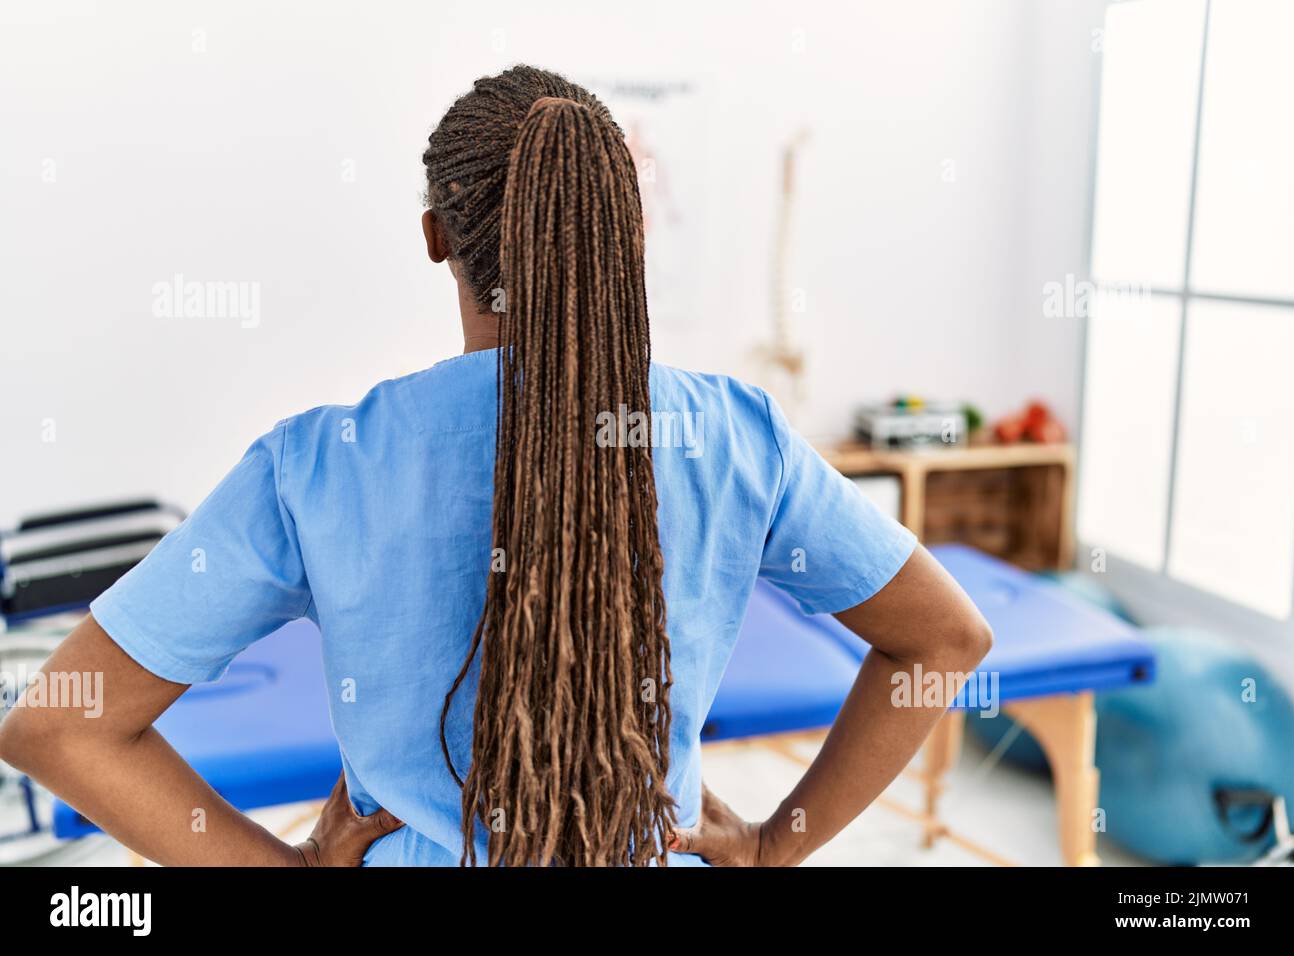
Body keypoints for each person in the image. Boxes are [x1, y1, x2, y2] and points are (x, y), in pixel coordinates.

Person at [0, 65, 991, 866]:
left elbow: (57, 725)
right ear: (625, 236)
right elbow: (943, 638)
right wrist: (778, 845)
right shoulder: (733, 434)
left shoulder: (317, 464)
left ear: (438, 237)